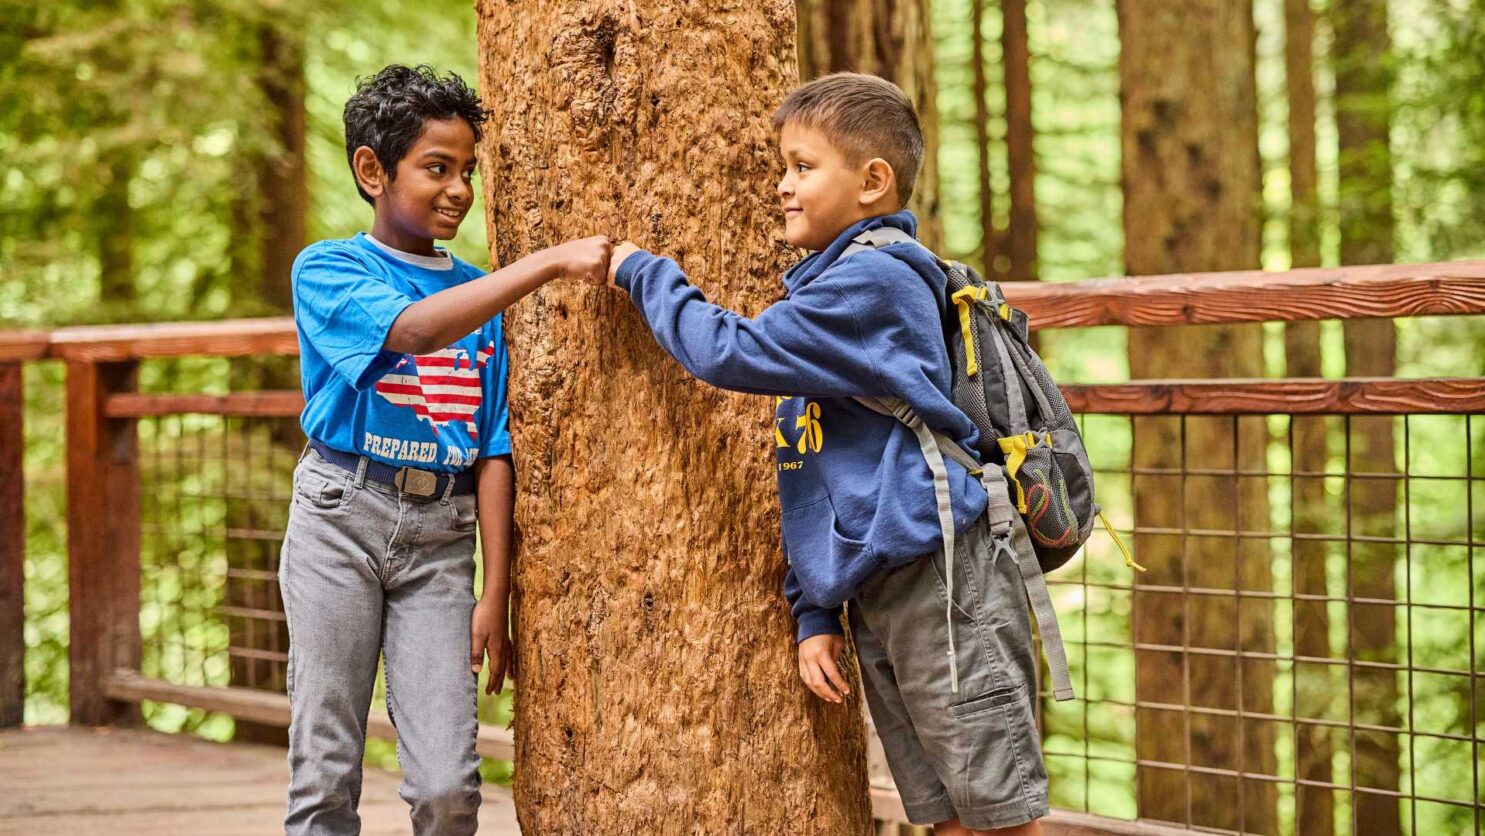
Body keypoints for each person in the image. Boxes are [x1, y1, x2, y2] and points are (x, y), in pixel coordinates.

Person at [606, 73, 1048, 835]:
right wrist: (814, 609)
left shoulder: (871, 282)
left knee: (998, 817)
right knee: (943, 811)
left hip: (944, 578)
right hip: (887, 586)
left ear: (873, 181)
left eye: (802, 167)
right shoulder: (831, 293)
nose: (781, 186)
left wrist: (641, 271)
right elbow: (816, 471)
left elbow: (723, 350)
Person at [280, 63, 609, 835]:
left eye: (467, 171)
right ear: (372, 170)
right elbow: (414, 331)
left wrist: (494, 590)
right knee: (326, 770)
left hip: (440, 541)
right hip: (339, 518)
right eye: (437, 168)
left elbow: (494, 449)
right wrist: (545, 264)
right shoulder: (330, 268)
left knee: (447, 789)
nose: (459, 189)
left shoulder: (482, 293)